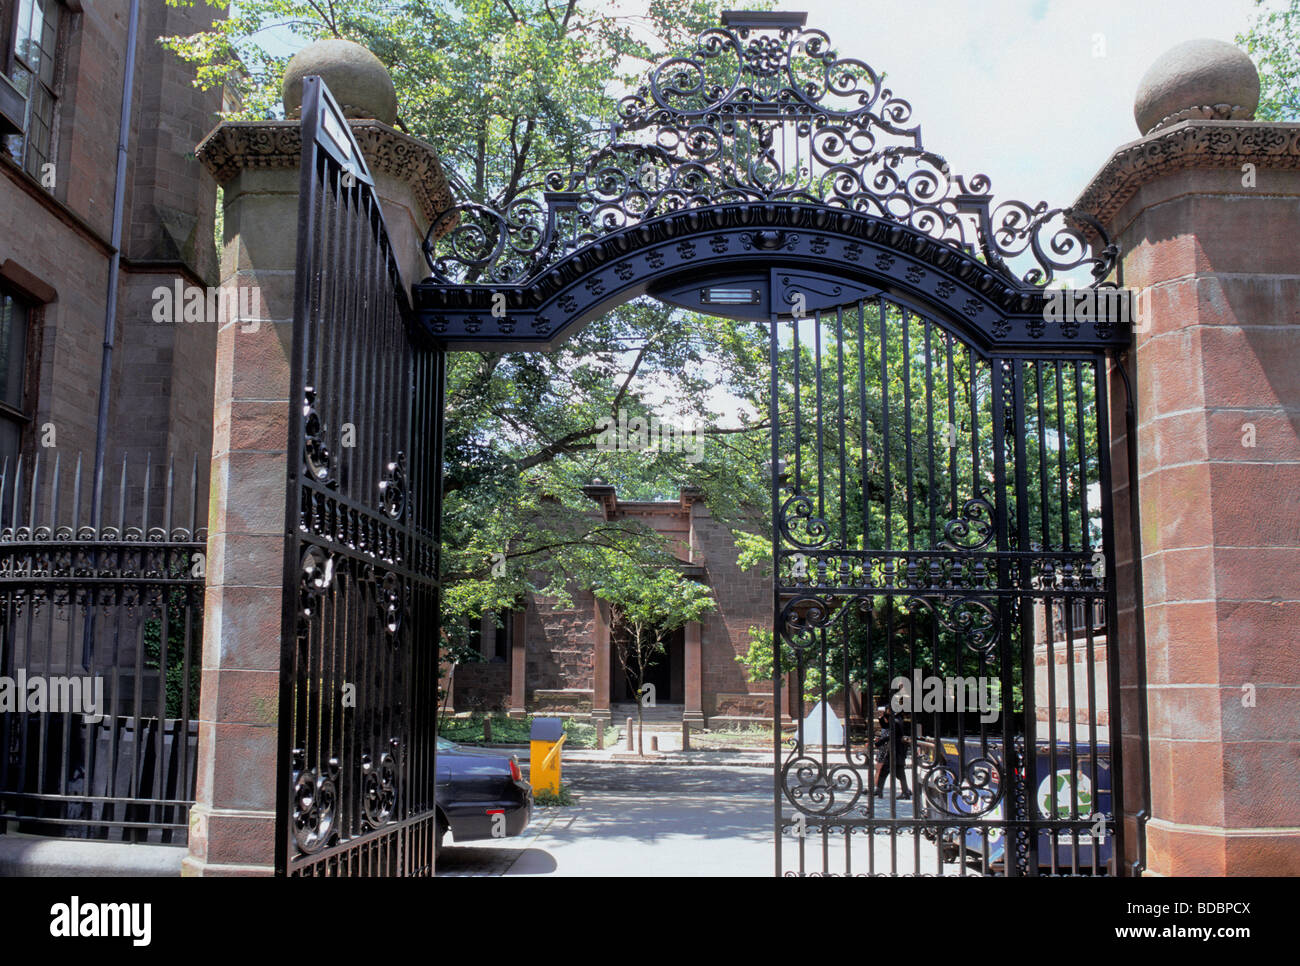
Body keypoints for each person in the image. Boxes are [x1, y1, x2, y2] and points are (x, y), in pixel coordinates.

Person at [873, 709, 911, 799]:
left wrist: (879, 743)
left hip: (895, 750)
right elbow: (885, 725)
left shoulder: (896, 721)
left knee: (886, 770)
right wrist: (881, 717)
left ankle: (879, 790)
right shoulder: (897, 719)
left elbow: (891, 735)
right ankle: (905, 792)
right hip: (897, 750)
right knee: (899, 772)